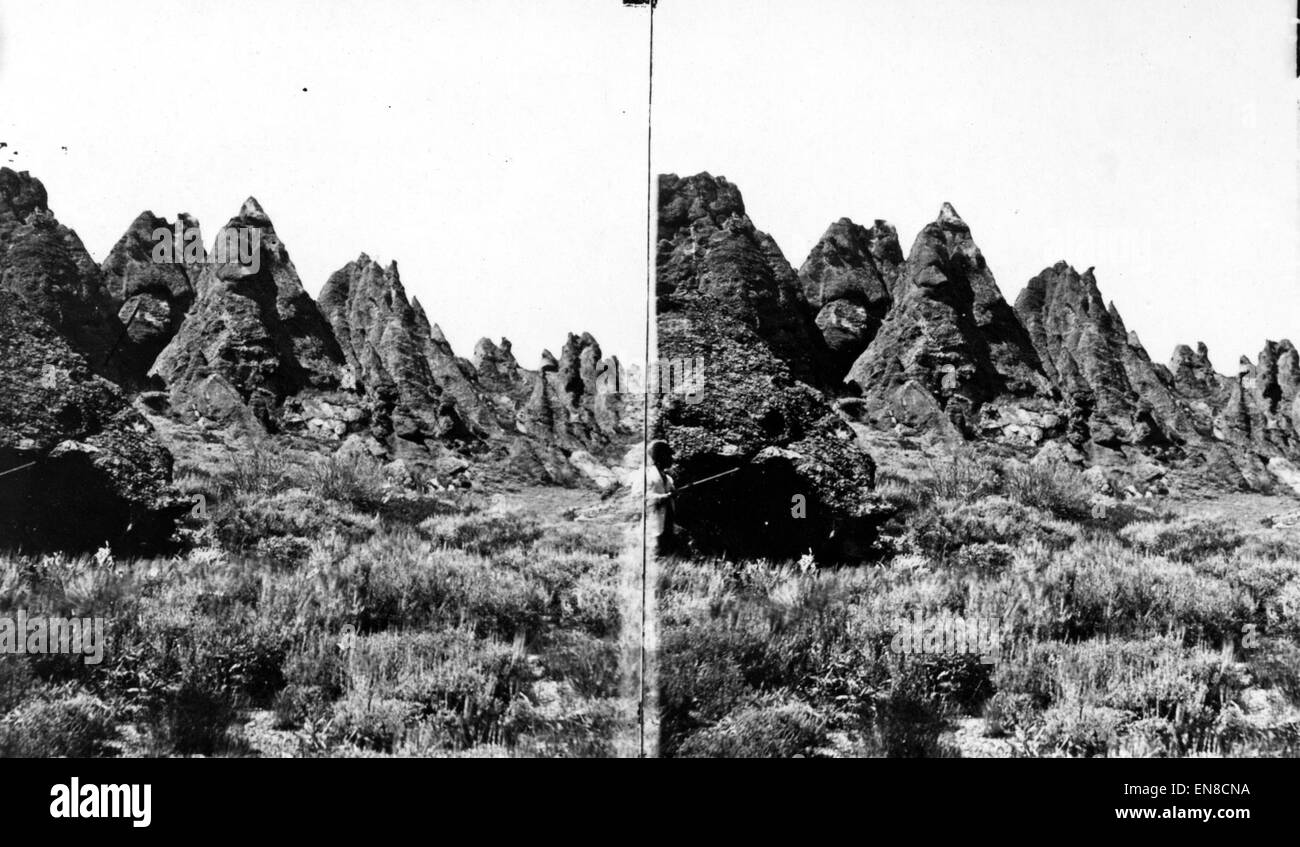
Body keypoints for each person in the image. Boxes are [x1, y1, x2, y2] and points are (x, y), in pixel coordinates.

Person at [646, 439, 676, 556]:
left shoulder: (668, 478)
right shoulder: (648, 475)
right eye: (668, 456)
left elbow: (671, 494)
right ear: (660, 457)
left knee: (666, 554)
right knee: (654, 554)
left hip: (667, 522)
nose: (671, 459)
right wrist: (665, 496)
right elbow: (642, 497)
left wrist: (674, 494)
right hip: (653, 523)